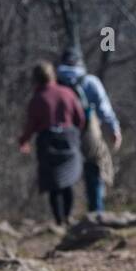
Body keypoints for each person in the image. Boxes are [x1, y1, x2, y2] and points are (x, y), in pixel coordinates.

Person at [18, 60, 86, 226]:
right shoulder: (67, 93)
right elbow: (80, 118)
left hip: (47, 140)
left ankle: (58, 221)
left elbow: (31, 125)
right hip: (69, 139)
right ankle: (68, 217)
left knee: (53, 182)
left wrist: (24, 140)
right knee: (68, 180)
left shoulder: (37, 99)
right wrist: (75, 134)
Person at [56, 46, 121, 215]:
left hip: (62, 132)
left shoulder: (54, 82)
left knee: (64, 172)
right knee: (95, 167)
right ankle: (96, 211)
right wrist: (114, 129)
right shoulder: (90, 81)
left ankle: (63, 216)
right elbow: (104, 109)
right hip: (88, 132)